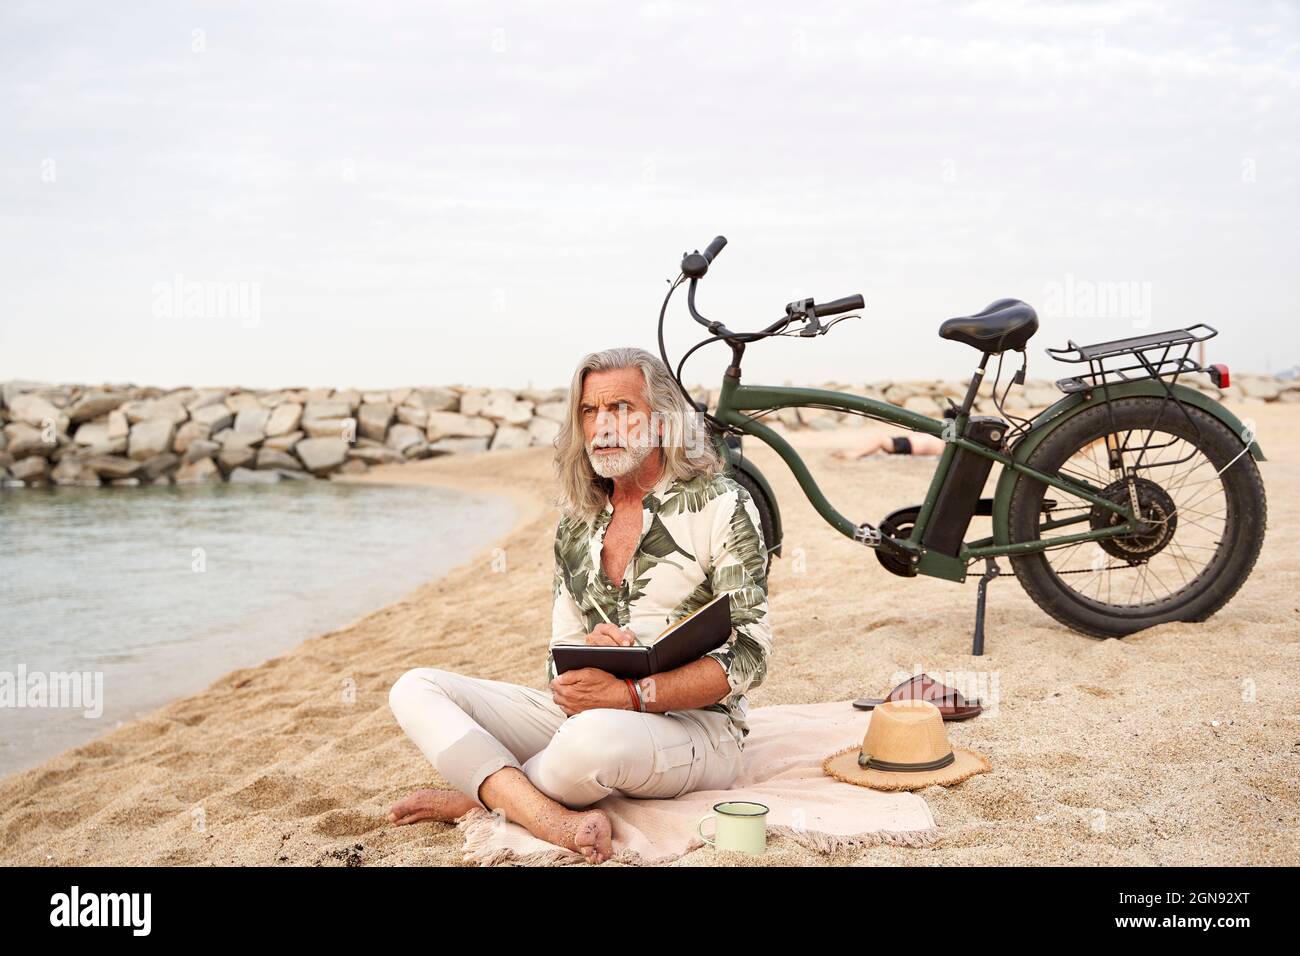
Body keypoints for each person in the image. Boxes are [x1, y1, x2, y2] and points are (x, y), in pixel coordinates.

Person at [386, 347, 773, 864]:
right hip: (591, 715)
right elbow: (557, 666)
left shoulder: (723, 504)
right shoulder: (576, 524)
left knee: (590, 741)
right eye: (590, 412)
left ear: (661, 421)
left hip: (699, 727)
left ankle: (487, 794)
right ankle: (537, 809)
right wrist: (587, 657)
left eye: (621, 409)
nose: (603, 426)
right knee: (415, 688)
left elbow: (750, 656)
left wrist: (630, 694)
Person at [831, 430, 945, 460]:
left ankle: (855, 454)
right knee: (879, 440)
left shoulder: (942, 443)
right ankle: (857, 452)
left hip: (907, 445)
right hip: (907, 443)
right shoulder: (943, 441)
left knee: (879, 439)